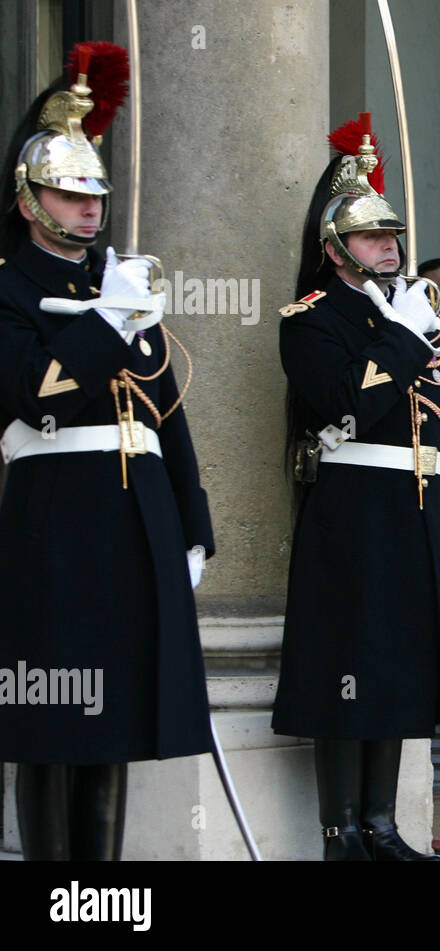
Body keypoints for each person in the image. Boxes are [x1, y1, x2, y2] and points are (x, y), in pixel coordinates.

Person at [0, 42, 214, 860]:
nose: (89, 210)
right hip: (57, 516)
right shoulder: (10, 289)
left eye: (95, 194)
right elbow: (36, 390)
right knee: (53, 720)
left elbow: (168, 412)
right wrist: (105, 323)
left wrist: (194, 523)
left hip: (136, 513)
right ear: (30, 201)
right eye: (68, 193)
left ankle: (102, 892)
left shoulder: (118, 284)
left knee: (117, 717)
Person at [272, 114, 440, 860]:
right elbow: (349, 401)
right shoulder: (313, 321)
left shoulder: (418, 317)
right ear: (334, 249)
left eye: (392, 235)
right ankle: (342, 830)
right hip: (353, 513)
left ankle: (384, 824)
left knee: (397, 669)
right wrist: (400, 331)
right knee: (348, 669)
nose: (389, 246)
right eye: (370, 237)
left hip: (419, 512)